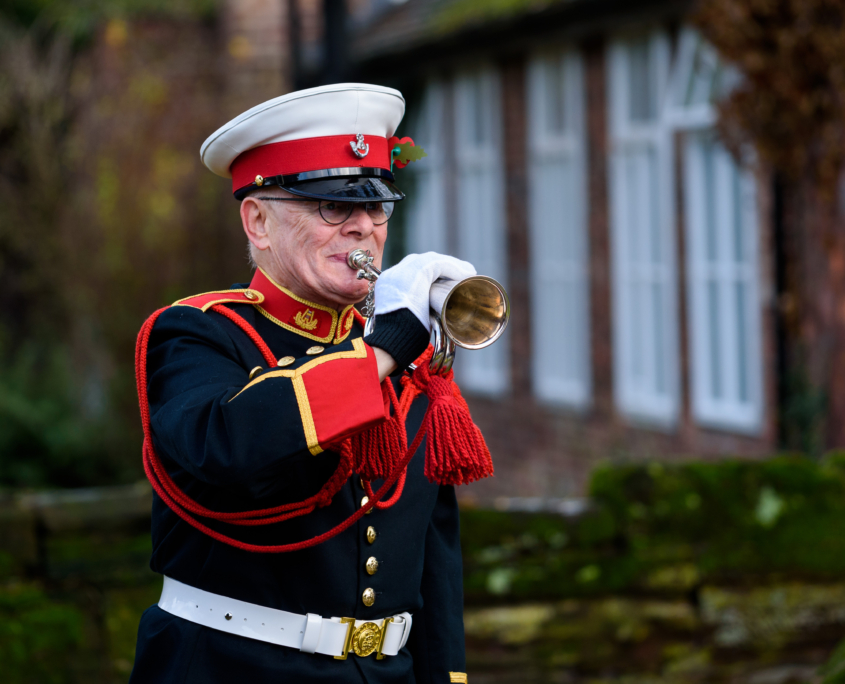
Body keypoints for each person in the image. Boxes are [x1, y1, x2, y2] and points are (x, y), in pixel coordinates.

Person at [129, 83, 485, 684]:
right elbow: (226, 444)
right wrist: (384, 348)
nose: (363, 229)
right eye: (333, 207)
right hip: (230, 667)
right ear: (259, 221)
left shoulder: (401, 362)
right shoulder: (196, 334)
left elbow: (434, 562)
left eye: (376, 208)